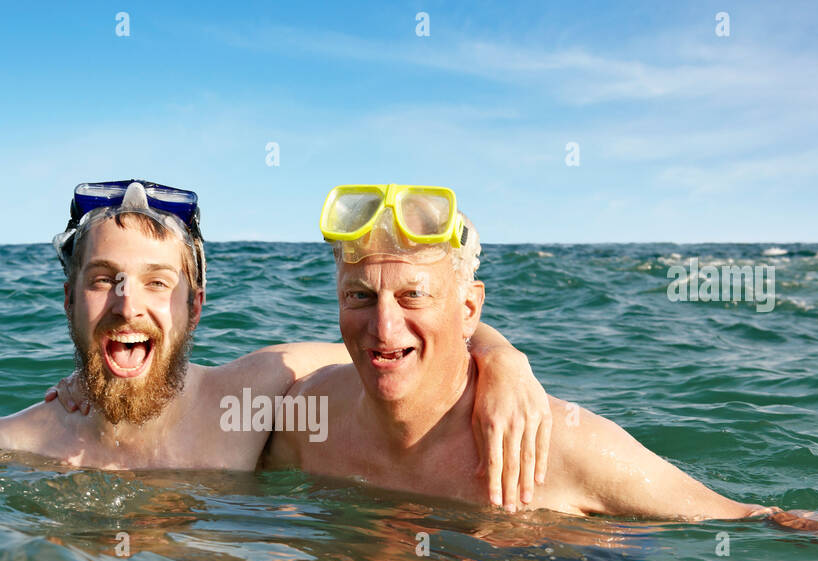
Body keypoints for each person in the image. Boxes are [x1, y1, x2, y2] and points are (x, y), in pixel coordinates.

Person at [0, 179, 552, 508]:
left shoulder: (250, 394)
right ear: (69, 301)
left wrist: (502, 360)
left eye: (156, 282)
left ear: (194, 307)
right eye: (103, 280)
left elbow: (386, 343)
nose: (126, 304)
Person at [262, 183, 770, 519]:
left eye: (413, 295)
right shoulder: (310, 419)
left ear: (468, 308)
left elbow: (750, 520)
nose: (384, 325)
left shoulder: (565, 448)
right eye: (360, 296)